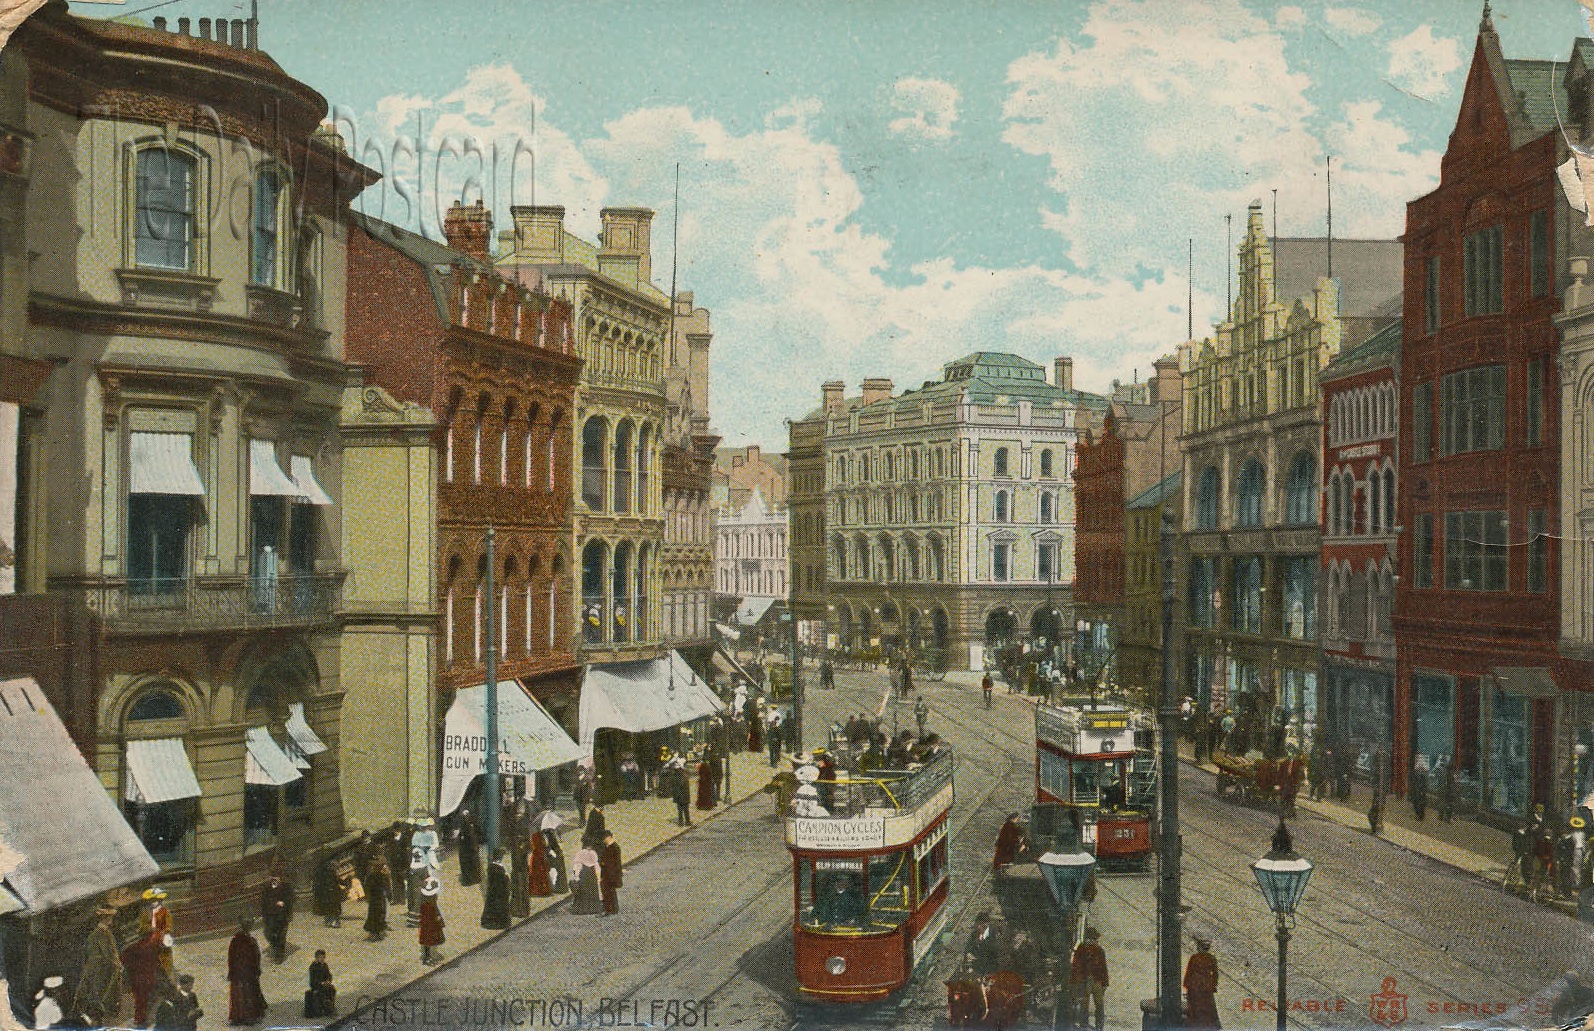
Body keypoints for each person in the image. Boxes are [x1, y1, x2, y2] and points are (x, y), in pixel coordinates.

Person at [73, 906, 125, 1028]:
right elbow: (106, 953)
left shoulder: (104, 932)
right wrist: (116, 963)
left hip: (101, 968)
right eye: (110, 917)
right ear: (105, 918)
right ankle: (96, 1019)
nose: (111, 919)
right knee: (100, 994)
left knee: (100, 993)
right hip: (100, 970)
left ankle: (97, 1017)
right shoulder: (100, 934)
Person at [119, 922, 166, 1027]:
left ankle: (140, 1020)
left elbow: (123, 960)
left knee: (140, 1000)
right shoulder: (152, 944)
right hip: (151, 976)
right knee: (150, 998)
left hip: (137, 979)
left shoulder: (132, 948)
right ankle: (145, 1018)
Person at [226, 918, 266, 1026]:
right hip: (247, 973)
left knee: (240, 995)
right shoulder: (250, 941)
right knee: (248, 994)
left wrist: (231, 971)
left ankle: (239, 1016)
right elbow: (256, 956)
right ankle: (248, 1016)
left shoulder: (236, 940)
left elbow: (231, 957)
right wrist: (256, 969)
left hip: (240, 973)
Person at [1070, 926, 1109, 1031]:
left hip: (1097, 981)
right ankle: (1083, 1025)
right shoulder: (1081, 949)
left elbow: (1104, 968)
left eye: (1094, 939)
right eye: (1090, 938)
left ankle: (1099, 1026)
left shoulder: (1100, 951)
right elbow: (1075, 966)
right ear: (1086, 938)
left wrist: (1105, 983)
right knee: (1084, 1005)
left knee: (1099, 1004)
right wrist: (1076, 982)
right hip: (1084, 980)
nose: (1092, 941)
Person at [1184, 937, 1220, 1029]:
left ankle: (1195, 1024)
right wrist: (1213, 985)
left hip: (1194, 985)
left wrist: (1187, 984)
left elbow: (1189, 971)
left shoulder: (1194, 958)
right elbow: (1215, 974)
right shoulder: (1211, 958)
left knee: (1195, 1006)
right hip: (1206, 986)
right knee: (1207, 1006)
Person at [259, 871, 294, 964]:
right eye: (272, 877)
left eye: (276, 877)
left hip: (281, 915)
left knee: (280, 935)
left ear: (280, 877)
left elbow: (291, 899)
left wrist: (284, 903)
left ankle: (279, 955)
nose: (274, 879)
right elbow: (263, 901)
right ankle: (274, 947)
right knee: (268, 933)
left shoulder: (286, 886)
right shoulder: (266, 887)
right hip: (269, 915)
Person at [480, 851, 511, 930]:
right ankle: (501, 922)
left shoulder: (491, 867)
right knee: (500, 906)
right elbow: (505, 880)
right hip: (500, 891)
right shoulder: (499, 868)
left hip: (494, 891)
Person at [363, 854, 391, 941]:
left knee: (374, 915)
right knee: (380, 914)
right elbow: (387, 887)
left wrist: (368, 896)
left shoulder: (373, 875)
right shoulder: (383, 875)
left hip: (375, 898)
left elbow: (367, 886)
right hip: (380, 897)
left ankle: (374, 933)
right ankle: (379, 932)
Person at [418, 878, 445, 965]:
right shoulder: (427, 904)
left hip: (428, 923)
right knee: (428, 939)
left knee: (428, 939)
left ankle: (428, 956)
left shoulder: (425, 901)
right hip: (429, 923)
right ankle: (427, 958)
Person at [302, 949, 336, 1019]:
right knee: (323, 991)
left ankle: (329, 1006)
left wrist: (328, 980)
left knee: (332, 989)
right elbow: (312, 980)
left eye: (323, 957)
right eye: (320, 957)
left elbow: (329, 975)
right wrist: (321, 983)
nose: (322, 959)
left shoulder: (325, 965)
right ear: (316, 958)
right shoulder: (313, 967)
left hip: (325, 984)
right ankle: (326, 1006)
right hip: (316, 986)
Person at [313, 855, 344, 929]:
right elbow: (335, 881)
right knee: (332, 907)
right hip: (330, 892)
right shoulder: (328, 872)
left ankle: (331, 921)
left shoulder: (324, 871)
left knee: (330, 907)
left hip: (329, 892)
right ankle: (333, 921)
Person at [571, 846, 603, 916]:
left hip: (584, 874)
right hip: (592, 874)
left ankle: (583, 909)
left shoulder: (580, 853)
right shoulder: (593, 853)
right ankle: (593, 908)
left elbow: (577, 865)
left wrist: (576, 876)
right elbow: (596, 865)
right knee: (592, 890)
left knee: (584, 891)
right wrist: (598, 876)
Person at [456, 808, 483, 887]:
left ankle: (474, 879)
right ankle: (470, 879)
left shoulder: (472, 824)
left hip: (471, 846)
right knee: (469, 863)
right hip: (467, 847)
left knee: (472, 863)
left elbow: (479, 833)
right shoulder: (464, 826)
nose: (466, 818)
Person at [599, 831, 623, 916]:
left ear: (608, 837)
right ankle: (612, 908)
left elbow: (614, 863)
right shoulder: (610, 847)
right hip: (609, 873)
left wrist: (603, 863)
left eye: (604, 839)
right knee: (609, 892)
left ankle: (610, 909)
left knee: (609, 892)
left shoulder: (613, 847)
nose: (604, 840)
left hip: (610, 874)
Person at [527, 829, 553, 897]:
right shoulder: (535, 836)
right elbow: (536, 847)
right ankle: (537, 890)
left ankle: (543, 890)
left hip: (541, 856)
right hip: (536, 857)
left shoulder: (543, 836)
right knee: (536, 873)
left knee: (542, 873)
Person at [668, 758, 693, 826]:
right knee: (686, 809)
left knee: (680, 809)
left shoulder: (674, 775)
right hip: (684, 794)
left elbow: (672, 784)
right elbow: (684, 784)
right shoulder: (684, 775)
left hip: (677, 794)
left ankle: (680, 821)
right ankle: (687, 821)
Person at [1437, 757, 1458, 823]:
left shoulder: (1445, 773)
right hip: (1449, 791)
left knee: (1445, 803)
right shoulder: (1450, 775)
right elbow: (1449, 783)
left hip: (1447, 790)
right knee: (1449, 804)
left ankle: (1443, 816)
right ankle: (1447, 817)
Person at [1408, 757, 1430, 821]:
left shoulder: (1418, 772)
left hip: (1419, 787)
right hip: (1421, 787)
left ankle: (1419, 815)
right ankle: (1420, 815)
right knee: (1421, 798)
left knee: (1417, 798)